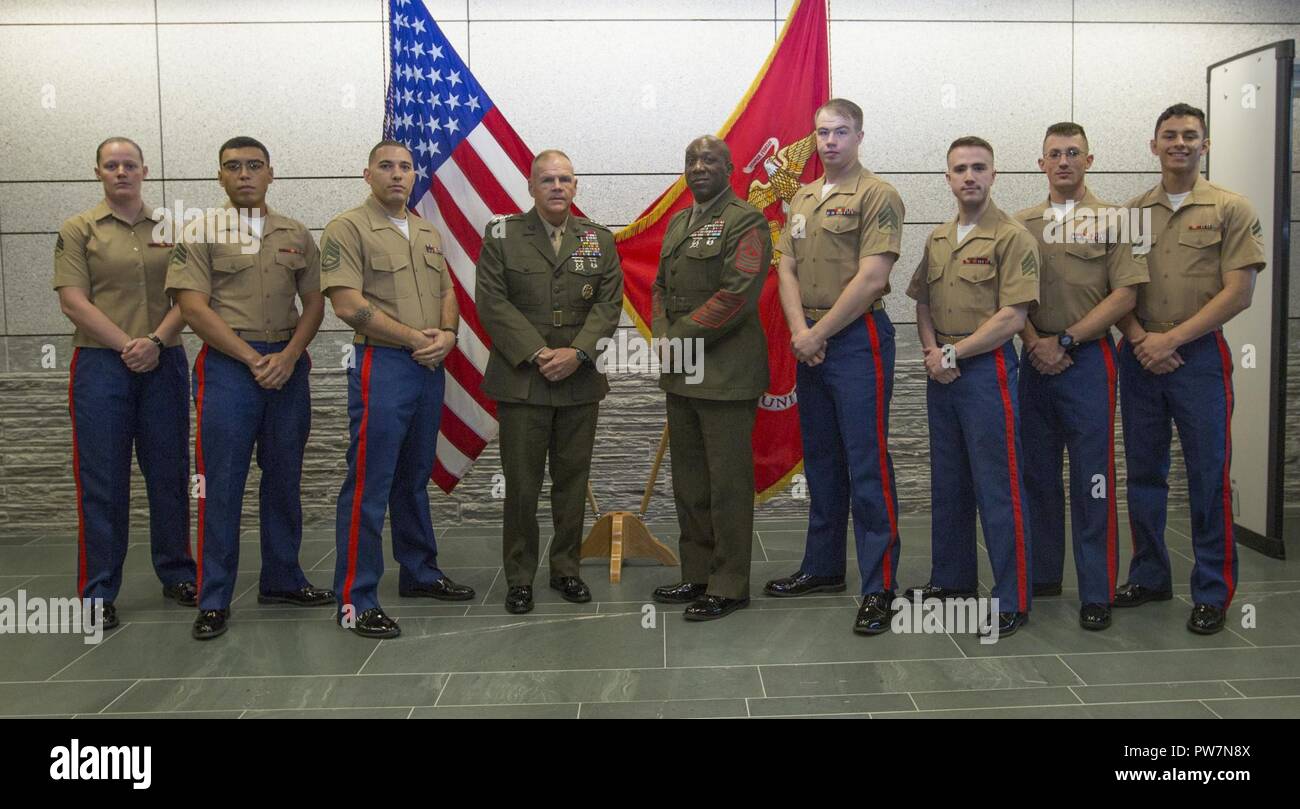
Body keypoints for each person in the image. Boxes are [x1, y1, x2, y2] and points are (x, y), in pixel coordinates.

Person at [166, 136, 335, 640]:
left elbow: (315, 303)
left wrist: (287, 357)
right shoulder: (199, 231)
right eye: (233, 167)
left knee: (284, 477)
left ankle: (282, 578)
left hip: (286, 366)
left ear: (270, 173)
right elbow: (193, 309)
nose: (244, 174)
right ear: (220, 176)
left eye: (253, 166)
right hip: (229, 369)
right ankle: (214, 595)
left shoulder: (297, 233)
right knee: (222, 484)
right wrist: (251, 358)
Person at [1114, 103, 1266, 635]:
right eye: (1169, 136)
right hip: (1138, 357)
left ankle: (1213, 592)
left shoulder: (1230, 208)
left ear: (1205, 145)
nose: (1179, 143)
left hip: (1198, 357)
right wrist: (1140, 340)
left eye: (1190, 136)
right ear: (1152, 145)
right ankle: (1151, 575)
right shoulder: (1131, 213)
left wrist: (1172, 340)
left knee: (1207, 477)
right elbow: (1120, 291)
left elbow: (1239, 292)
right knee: (1144, 474)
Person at [763, 99, 906, 636]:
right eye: (822, 133)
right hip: (812, 341)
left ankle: (880, 586)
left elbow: (872, 278)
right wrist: (801, 332)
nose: (830, 142)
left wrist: (817, 334)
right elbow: (788, 267)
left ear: (859, 135)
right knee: (821, 460)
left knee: (866, 463)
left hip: (856, 339)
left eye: (840, 132)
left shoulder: (878, 195)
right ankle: (822, 567)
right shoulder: (800, 196)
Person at [322, 140, 474, 639]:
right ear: (367, 174)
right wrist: (415, 339)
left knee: (413, 477)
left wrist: (447, 336)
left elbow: (448, 291)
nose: (396, 174)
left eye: (405, 167)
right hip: (383, 364)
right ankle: (356, 598)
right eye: (386, 166)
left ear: (414, 176)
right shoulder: (348, 228)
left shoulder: (427, 230)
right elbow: (346, 304)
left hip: (429, 366)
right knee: (369, 483)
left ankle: (419, 571)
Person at [54, 136, 196, 630]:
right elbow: (73, 301)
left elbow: (191, 296)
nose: (121, 172)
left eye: (129, 165)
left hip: (165, 362)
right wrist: (127, 347)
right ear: (97, 172)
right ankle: (98, 591)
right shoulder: (79, 230)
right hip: (101, 366)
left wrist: (155, 342)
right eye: (111, 165)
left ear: (144, 170)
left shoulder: (172, 229)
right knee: (103, 481)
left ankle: (178, 572)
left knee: (170, 473)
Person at [475, 150, 623, 615]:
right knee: (521, 484)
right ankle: (520, 577)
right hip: (523, 381)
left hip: (578, 382)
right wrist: (540, 353)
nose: (557, 186)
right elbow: (492, 302)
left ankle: (566, 570)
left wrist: (577, 353)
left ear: (576, 186)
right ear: (531, 187)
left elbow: (607, 304)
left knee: (572, 481)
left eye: (565, 179)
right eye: (547, 180)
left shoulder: (598, 239)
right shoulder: (502, 236)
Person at [1012, 122, 1147, 631]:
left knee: (1093, 478)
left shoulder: (1117, 220)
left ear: (1089, 160)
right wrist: (1035, 343)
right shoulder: (1020, 223)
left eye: (1073, 153)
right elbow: (1012, 297)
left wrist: (1065, 341)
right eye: (1054, 154)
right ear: (1040, 162)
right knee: (1037, 475)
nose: (1063, 161)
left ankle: (1096, 590)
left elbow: (1125, 295)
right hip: (1035, 359)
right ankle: (1043, 575)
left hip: (1087, 361)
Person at [905, 136, 1039, 638]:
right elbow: (921, 302)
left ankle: (1012, 597)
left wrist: (954, 354)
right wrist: (930, 353)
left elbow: (1013, 316)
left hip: (986, 371)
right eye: (960, 168)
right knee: (950, 484)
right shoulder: (938, 237)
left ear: (993, 174)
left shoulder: (1011, 237)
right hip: (941, 371)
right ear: (947, 178)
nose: (969, 176)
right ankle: (953, 581)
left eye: (978, 167)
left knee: (998, 486)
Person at [649, 135, 772, 621]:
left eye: (709, 160)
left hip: (725, 372)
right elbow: (660, 287)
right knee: (691, 483)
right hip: (682, 372)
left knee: (727, 486)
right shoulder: (680, 222)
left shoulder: (746, 220)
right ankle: (696, 573)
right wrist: (662, 335)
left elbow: (736, 297)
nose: (699, 167)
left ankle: (729, 583)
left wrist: (675, 338)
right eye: (691, 161)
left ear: (729, 168)